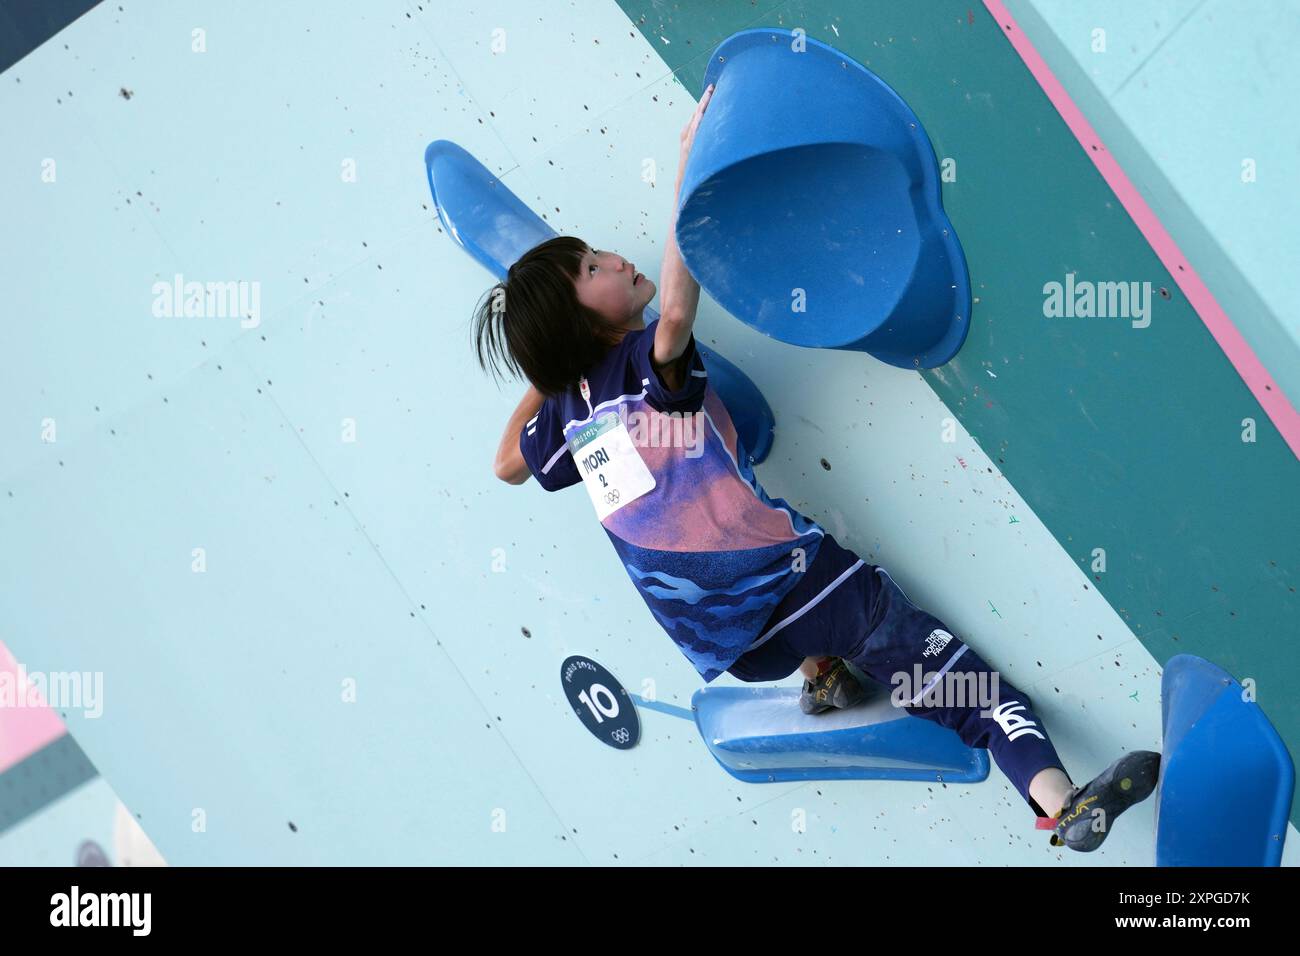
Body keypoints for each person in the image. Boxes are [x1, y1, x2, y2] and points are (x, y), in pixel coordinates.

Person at [474, 85, 1159, 852]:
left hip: (728, 646)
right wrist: (684, 175)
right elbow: (673, 314)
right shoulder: (643, 369)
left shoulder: (566, 419)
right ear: (586, 320)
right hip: (805, 587)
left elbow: (505, 464)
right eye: (596, 266)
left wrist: (550, 362)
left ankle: (824, 675)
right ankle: (1061, 800)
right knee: (968, 690)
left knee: (776, 592)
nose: (615, 256)